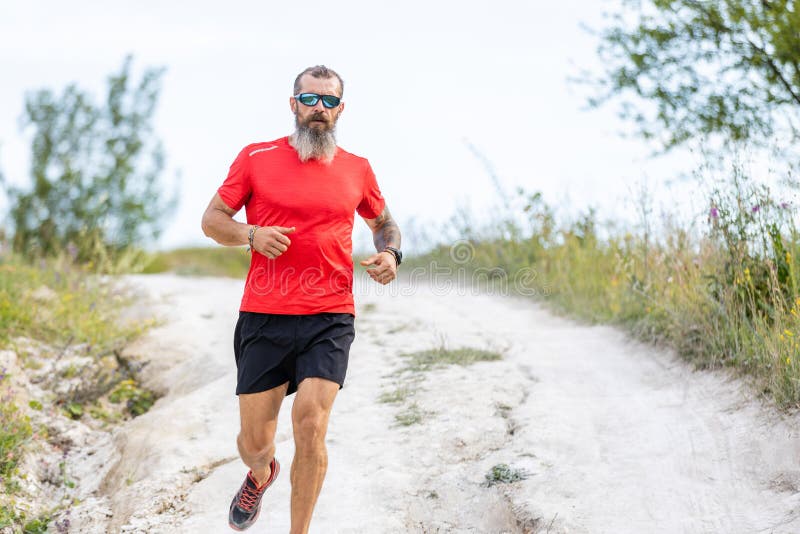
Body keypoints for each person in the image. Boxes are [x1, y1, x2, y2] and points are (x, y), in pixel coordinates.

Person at [200, 65, 402, 533]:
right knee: (255, 442)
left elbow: (384, 223)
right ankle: (260, 473)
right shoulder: (256, 157)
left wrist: (390, 253)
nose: (319, 109)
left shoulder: (357, 168)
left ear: (340, 110)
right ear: (293, 104)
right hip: (264, 315)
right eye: (310, 99)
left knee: (310, 424)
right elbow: (212, 220)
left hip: (329, 315)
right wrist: (250, 234)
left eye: (329, 102)